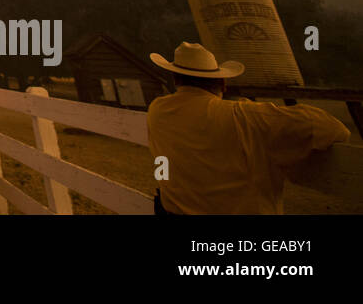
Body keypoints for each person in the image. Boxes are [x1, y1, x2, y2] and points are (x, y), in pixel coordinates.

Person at [147, 41, 350, 214]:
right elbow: (333, 128)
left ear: (175, 79)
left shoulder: (157, 110)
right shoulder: (245, 116)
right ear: (223, 82)